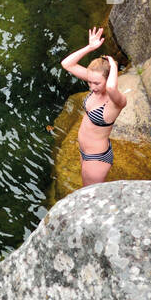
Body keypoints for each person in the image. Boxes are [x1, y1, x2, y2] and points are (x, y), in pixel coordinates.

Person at [60, 27, 127, 186]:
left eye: (96, 83)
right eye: (89, 82)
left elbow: (111, 88)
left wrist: (113, 64)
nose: (91, 87)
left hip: (97, 157)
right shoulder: (96, 86)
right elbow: (67, 64)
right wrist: (90, 47)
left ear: (108, 78)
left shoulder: (116, 102)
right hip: (85, 152)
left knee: (89, 196)